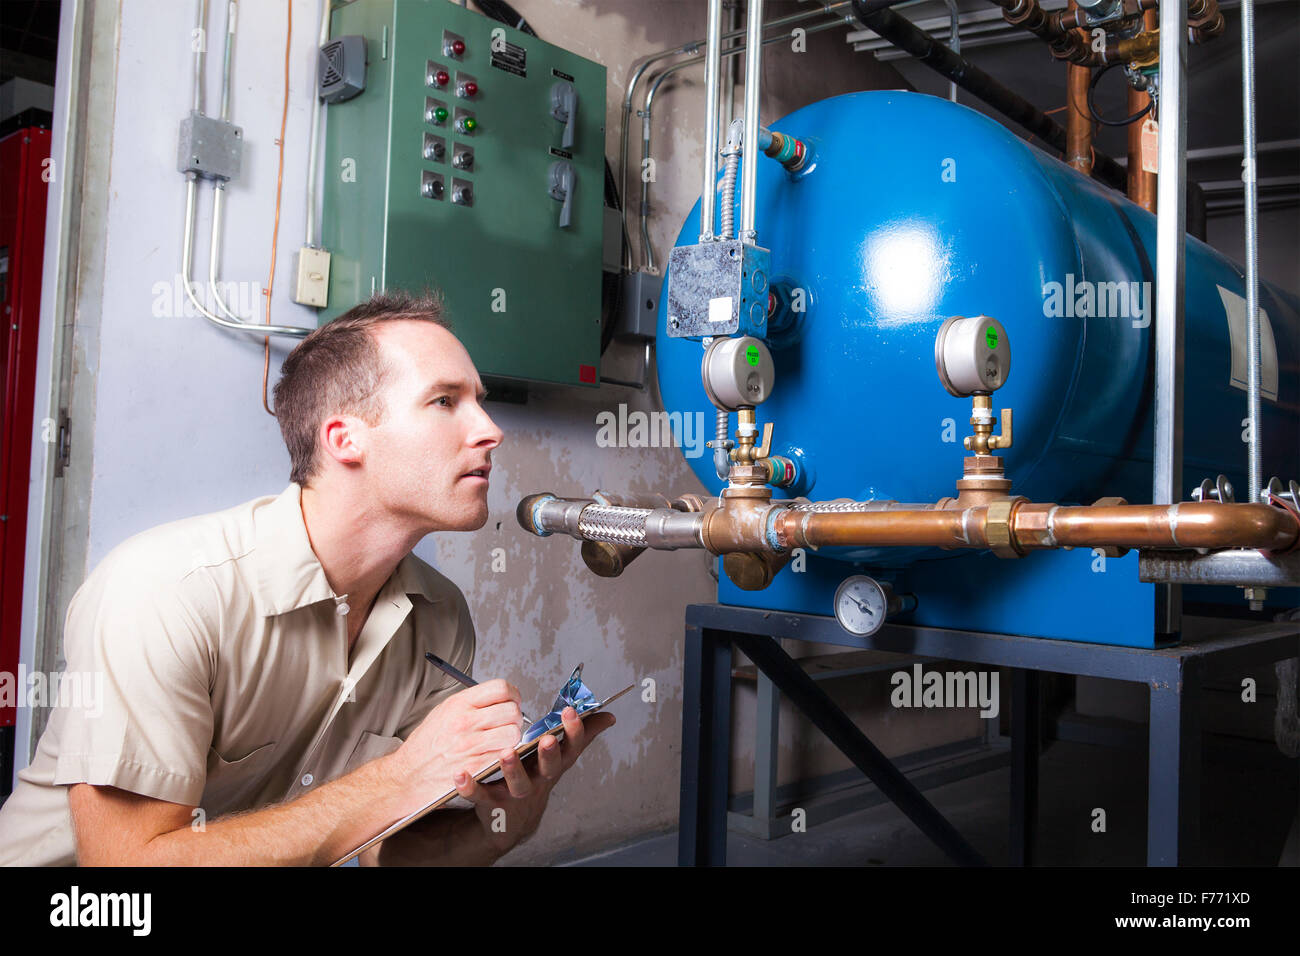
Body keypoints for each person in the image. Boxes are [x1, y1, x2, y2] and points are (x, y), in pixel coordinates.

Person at [0, 291, 613, 866]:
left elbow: (373, 851)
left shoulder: (439, 616)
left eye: (479, 399)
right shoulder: (162, 595)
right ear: (345, 438)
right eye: (445, 401)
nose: (490, 431)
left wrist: (507, 820)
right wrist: (399, 777)